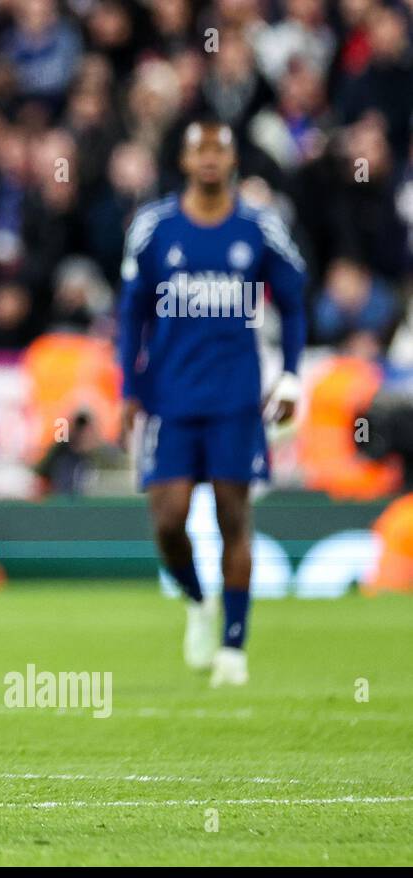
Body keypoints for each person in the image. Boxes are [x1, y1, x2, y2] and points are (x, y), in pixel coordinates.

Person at [117, 119, 306, 688]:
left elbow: (295, 301)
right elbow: (131, 313)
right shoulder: (153, 227)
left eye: (218, 150)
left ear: (232, 161)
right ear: (183, 159)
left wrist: (292, 375)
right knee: (169, 520)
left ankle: (233, 648)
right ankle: (198, 601)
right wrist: (128, 386)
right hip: (169, 398)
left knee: (234, 519)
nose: (208, 159)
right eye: (198, 149)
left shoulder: (260, 228)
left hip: (234, 399)